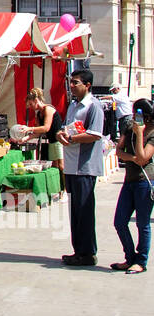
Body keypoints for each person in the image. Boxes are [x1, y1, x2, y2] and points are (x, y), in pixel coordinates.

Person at [56, 68, 104, 266]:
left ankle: (87, 252)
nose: (72, 85)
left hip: (85, 167)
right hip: (71, 165)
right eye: (71, 82)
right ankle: (78, 250)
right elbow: (67, 128)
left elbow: (94, 134)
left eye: (76, 82)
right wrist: (61, 134)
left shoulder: (94, 106)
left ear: (87, 85)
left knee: (84, 210)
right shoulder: (73, 106)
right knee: (75, 211)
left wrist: (72, 138)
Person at [112, 98, 154, 274]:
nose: (137, 118)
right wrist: (131, 158)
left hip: (145, 182)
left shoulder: (152, 133)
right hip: (129, 180)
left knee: (142, 223)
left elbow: (143, 157)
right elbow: (119, 151)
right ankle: (130, 257)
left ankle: (141, 261)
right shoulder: (129, 127)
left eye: (140, 115)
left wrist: (140, 135)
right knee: (120, 221)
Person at [19, 87, 64, 190]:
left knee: (61, 166)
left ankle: (65, 190)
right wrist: (26, 138)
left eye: (31, 104)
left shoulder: (48, 109)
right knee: (54, 167)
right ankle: (58, 189)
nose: (30, 107)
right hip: (52, 141)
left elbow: (45, 128)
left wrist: (29, 128)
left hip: (59, 141)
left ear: (36, 100)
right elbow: (39, 132)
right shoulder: (39, 114)